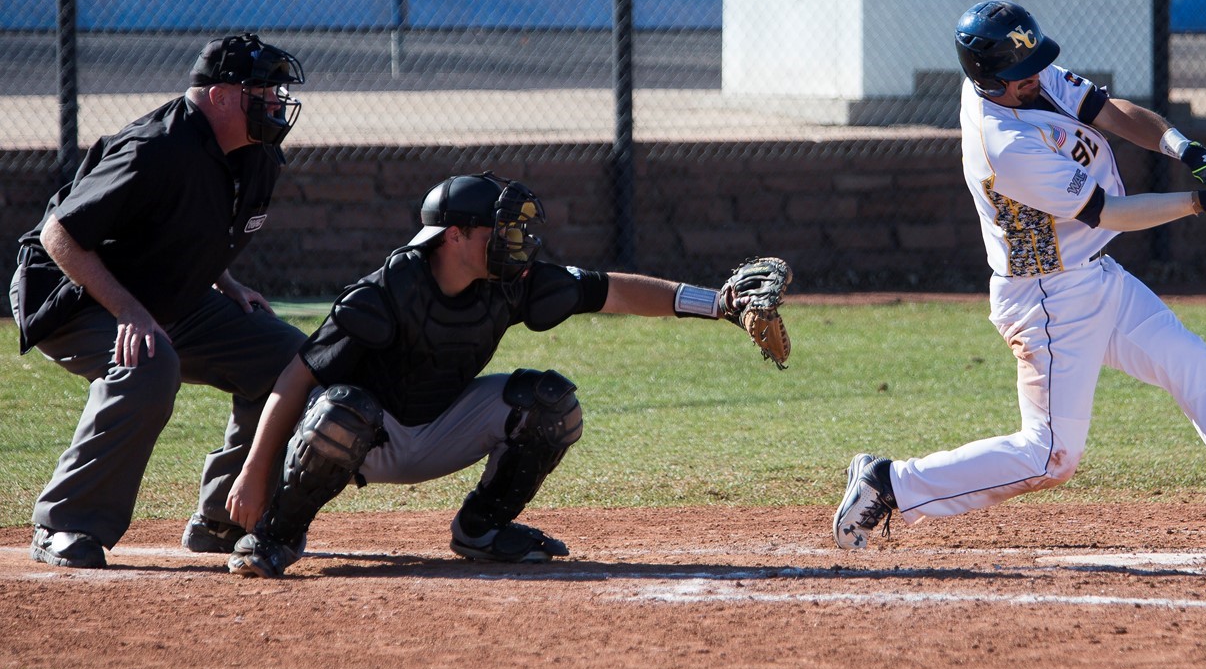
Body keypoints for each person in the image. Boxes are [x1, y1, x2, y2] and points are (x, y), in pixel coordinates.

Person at [833, 0, 1206, 553]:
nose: (1035, 77)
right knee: (1051, 455)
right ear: (989, 79)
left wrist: (1184, 148)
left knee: (1195, 368)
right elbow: (1108, 212)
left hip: (1096, 277)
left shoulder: (1025, 78)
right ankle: (890, 483)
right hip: (1048, 299)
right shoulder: (1005, 145)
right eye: (1021, 74)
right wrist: (1199, 202)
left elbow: (1107, 111)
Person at [223, 172, 791, 578]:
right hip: (363, 439)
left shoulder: (511, 281)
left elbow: (610, 290)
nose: (513, 240)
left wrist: (716, 303)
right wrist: (253, 472)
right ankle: (274, 534)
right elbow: (297, 375)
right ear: (454, 236)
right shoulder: (386, 292)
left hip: (439, 427)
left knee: (551, 403)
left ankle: (482, 530)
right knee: (341, 409)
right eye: (497, 229)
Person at [10, 33, 310, 569]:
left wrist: (226, 282)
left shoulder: (254, 155)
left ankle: (224, 517)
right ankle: (65, 522)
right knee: (148, 364)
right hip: (76, 295)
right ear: (220, 96)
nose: (275, 102)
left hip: (168, 297)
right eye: (263, 90)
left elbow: (189, 227)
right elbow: (60, 236)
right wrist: (129, 310)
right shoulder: (156, 150)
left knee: (291, 361)